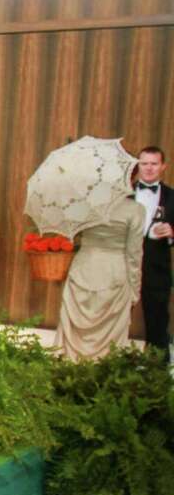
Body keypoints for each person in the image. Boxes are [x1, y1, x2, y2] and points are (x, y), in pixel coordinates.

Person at [54, 194, 145, 360]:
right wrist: (135, 290)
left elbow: (70, 233)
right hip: (114, 272)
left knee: (76, 330)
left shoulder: (84, 205)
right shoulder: (136, 210)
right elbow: (134, 254)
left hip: (83, 269)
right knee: (110, 340)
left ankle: (68, 371)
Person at [134, 146, 173, 354]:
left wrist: (171, 232)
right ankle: (112, 362)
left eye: (154, 164)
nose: (149, 168)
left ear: (163, 167)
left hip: (157, 268)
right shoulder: (124, 194)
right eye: (144, 163)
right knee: (115, 315)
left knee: (157, 317)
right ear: (138, 165)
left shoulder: (172, 196)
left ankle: (156, 366)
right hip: (124, 267)